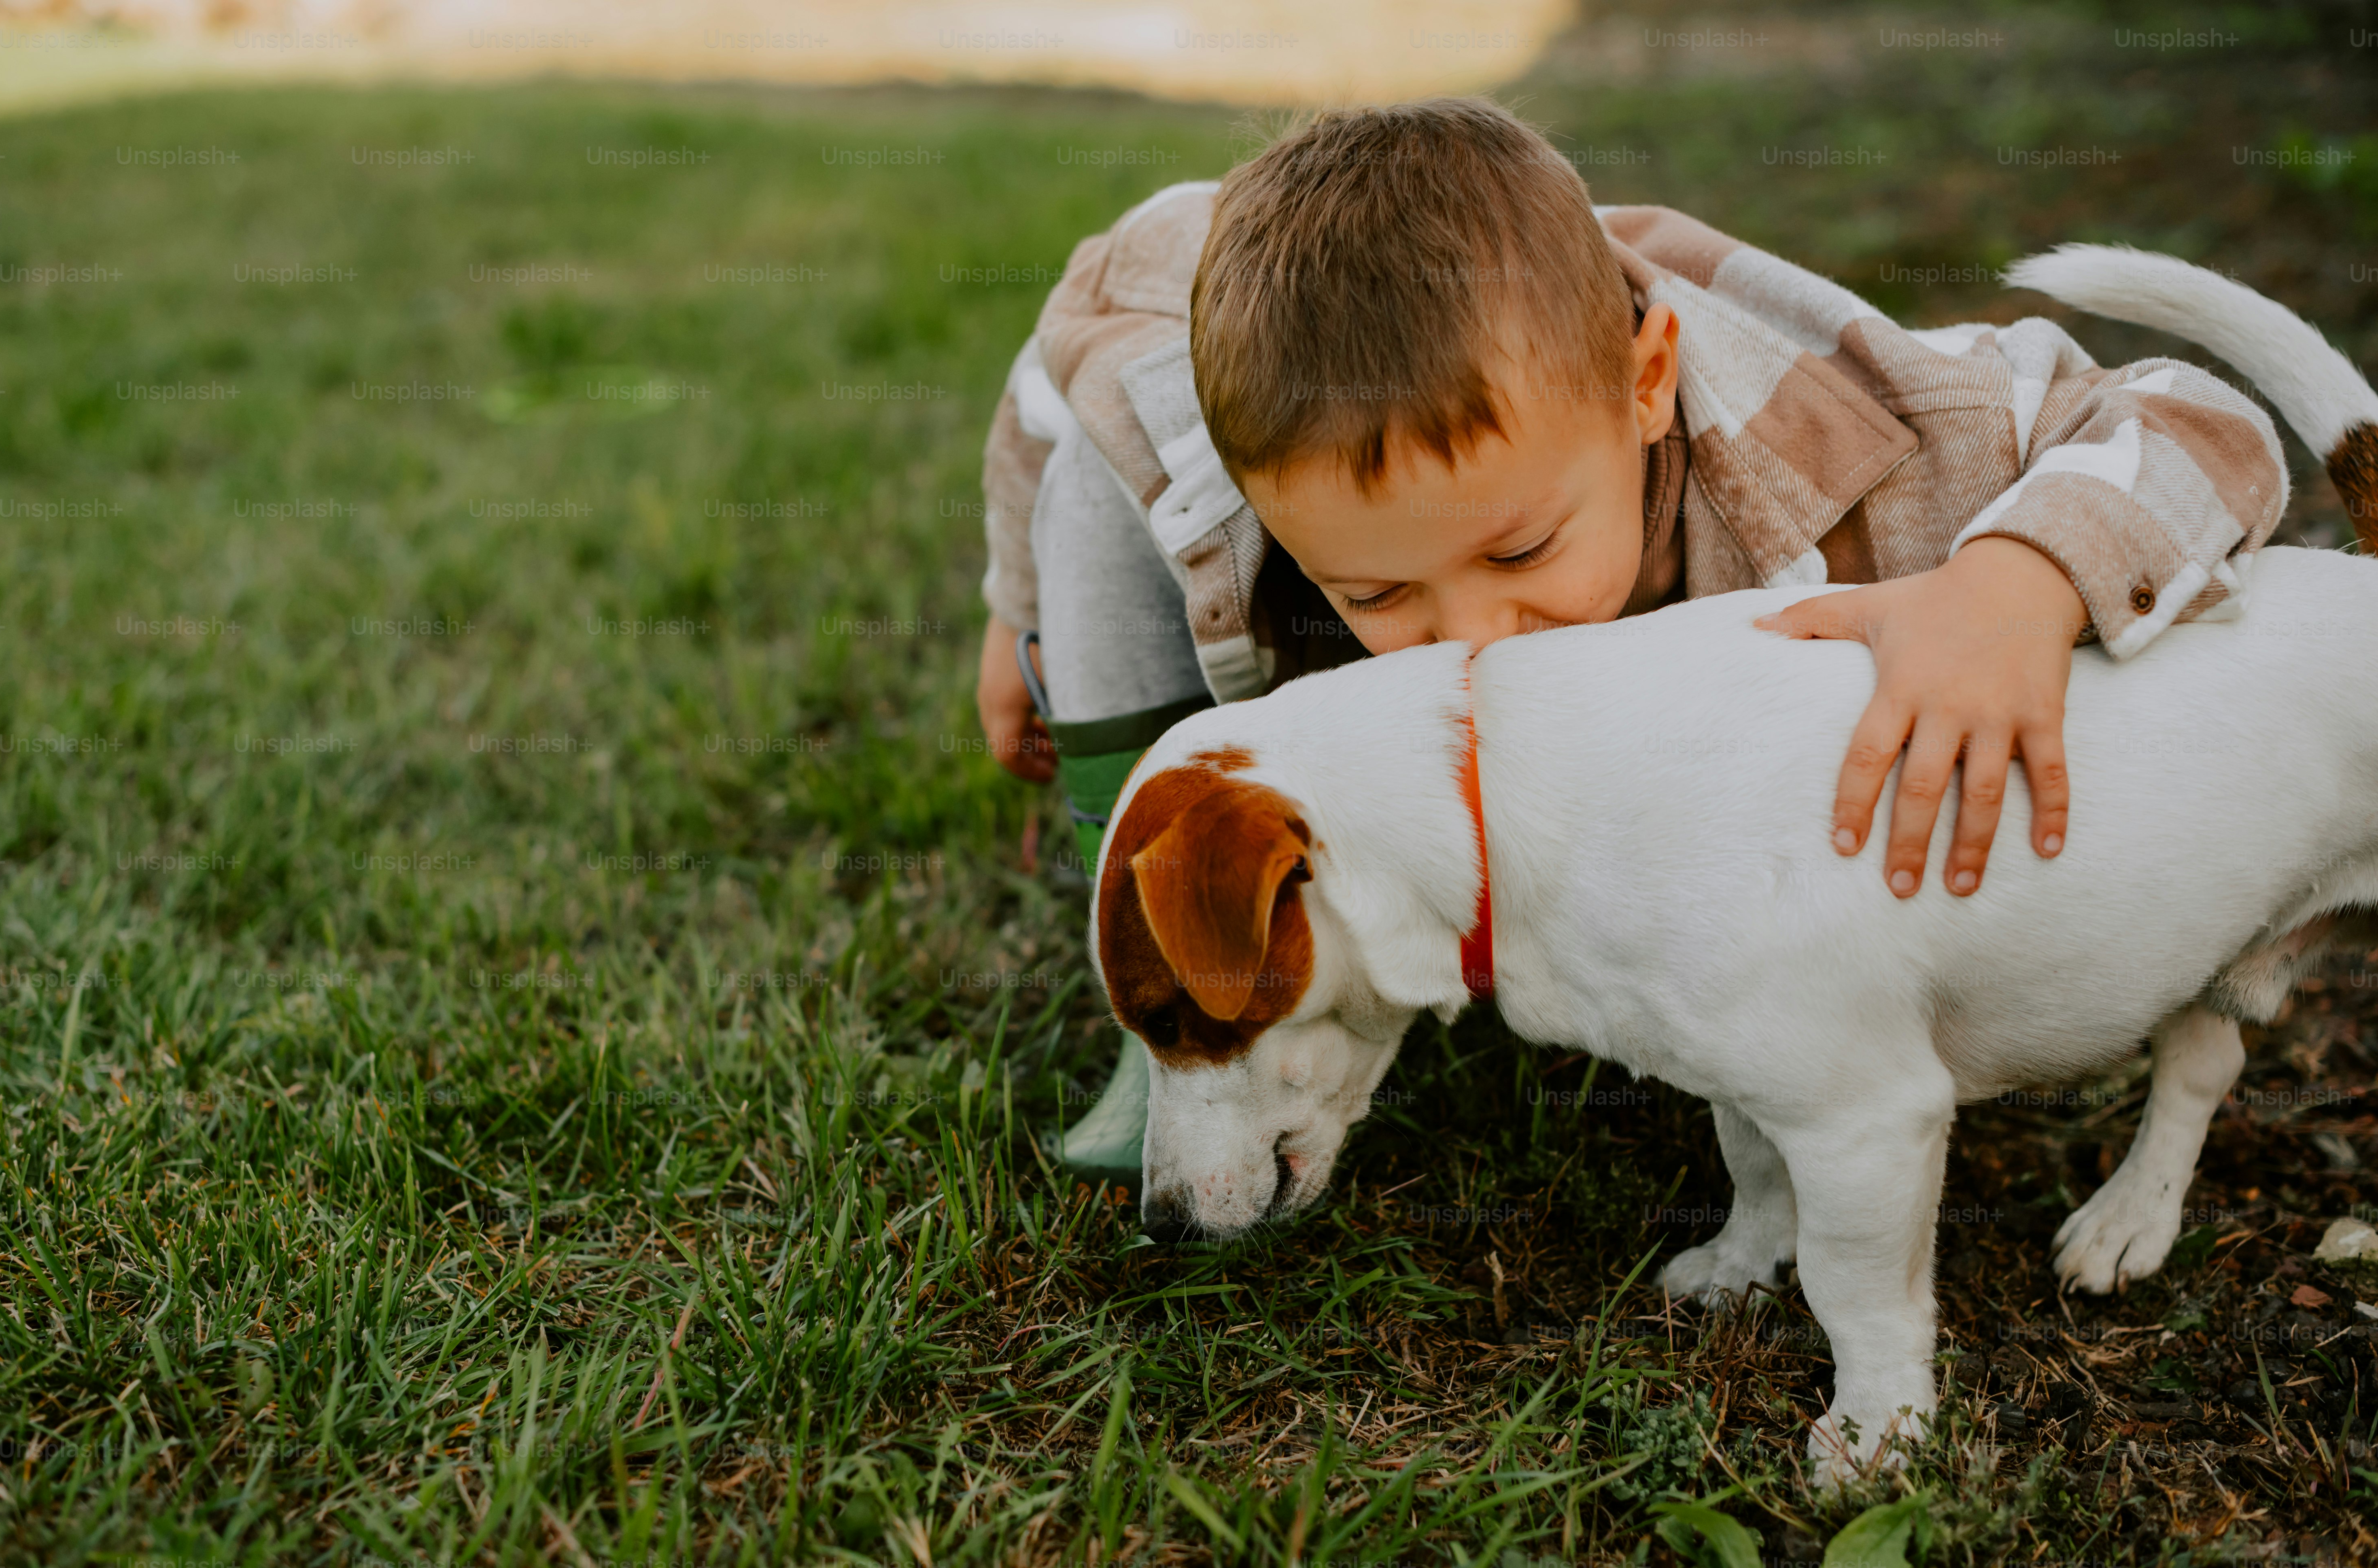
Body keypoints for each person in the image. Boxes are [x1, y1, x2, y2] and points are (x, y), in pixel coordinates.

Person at [972, 98, 2287, 1180]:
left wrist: (2015, 582)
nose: (1467, 642)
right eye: (1380, 596)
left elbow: (2200, 423)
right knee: (1117, 460)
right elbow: (1088, 330)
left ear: (1646, 383)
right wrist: (1016, 603)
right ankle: (1179, 971)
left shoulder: (1878, 449)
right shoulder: (1265, 449)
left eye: (1524, 552)